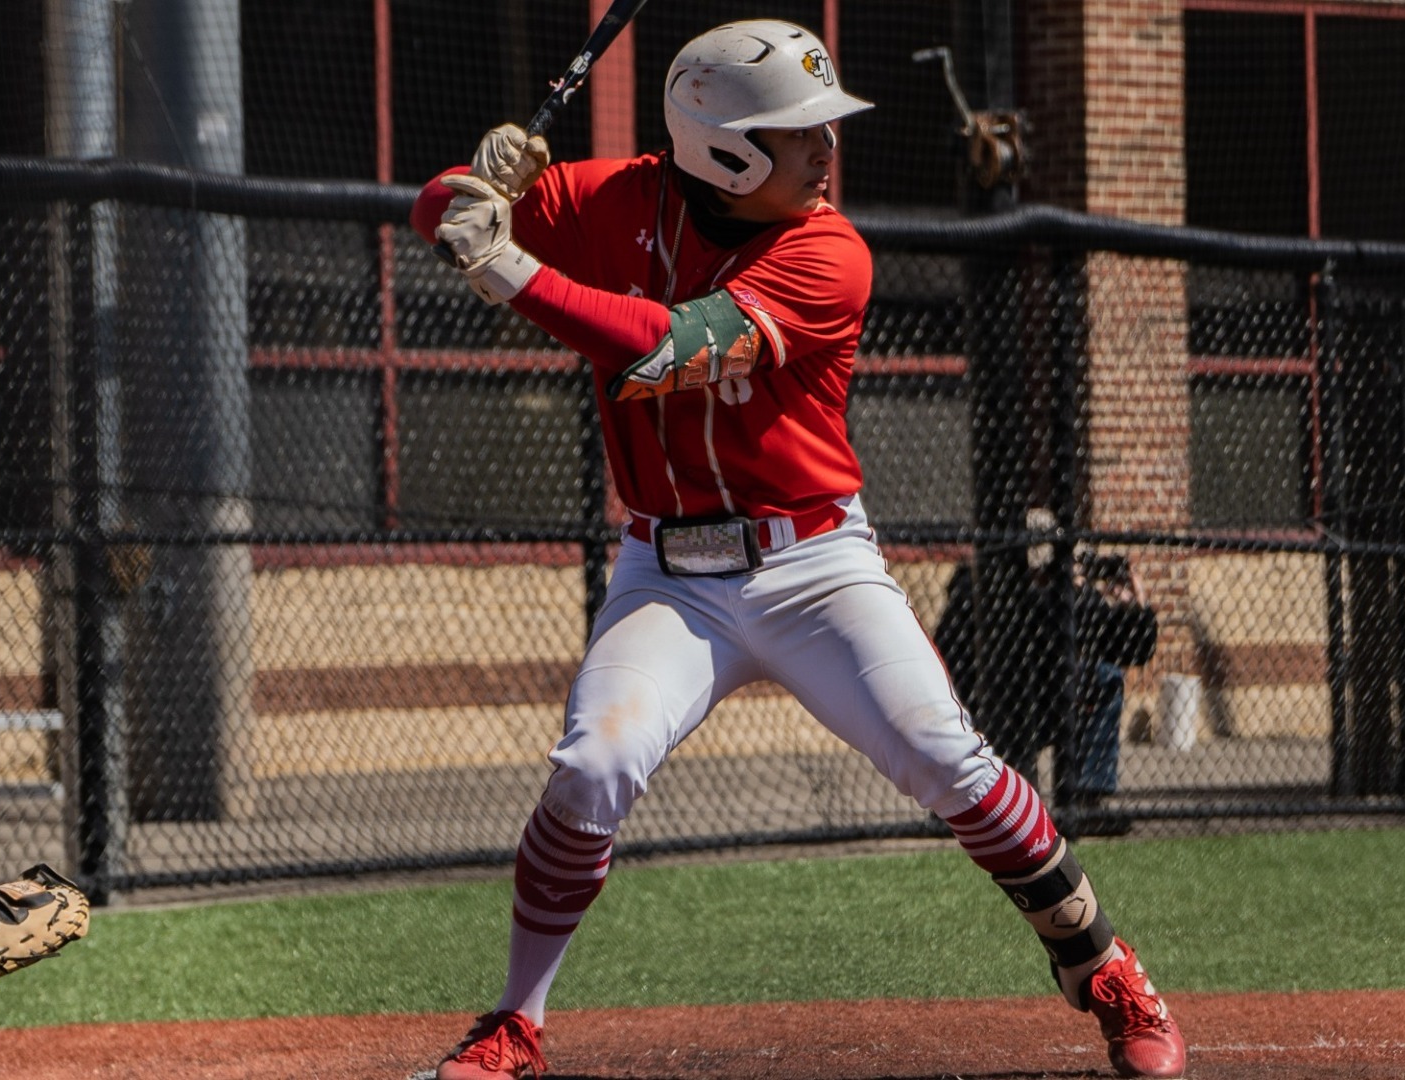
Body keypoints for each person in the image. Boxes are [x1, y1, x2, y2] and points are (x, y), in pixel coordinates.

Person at [410, 20, 1185, 1080]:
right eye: (796, 132)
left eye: (825, 129)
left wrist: (506, 266)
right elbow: (436, 215)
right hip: (669, 572)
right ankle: (515, 1025)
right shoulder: (617, 200)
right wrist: (477, 178)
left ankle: (1100, 966)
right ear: (721, 147)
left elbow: (672, 350)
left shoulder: (830, 251)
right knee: (592, 765)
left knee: (948, 760)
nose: (825, 151)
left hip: (815, 567)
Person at [931, 551, 1158, 836]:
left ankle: (1084, 802)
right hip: (985, 708)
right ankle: (963, 803)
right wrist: (1085, 594)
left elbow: (1132, 649)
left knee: (1103, 676)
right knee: (1101, 678)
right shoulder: (989, 588)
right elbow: (1130, 644)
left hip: (1033, 703)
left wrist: (1131, 600)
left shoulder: (1069, 594)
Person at [1059, 553, 1158, 823]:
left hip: (1086, 677)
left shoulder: (1096, 604)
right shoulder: (1064, 591)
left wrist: (1134, 595)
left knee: (1109, 674)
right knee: (1105, 674)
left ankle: (1091, 793)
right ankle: (1088, 790)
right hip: (1055, 677)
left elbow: (1139, 649)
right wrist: (1081, 582)